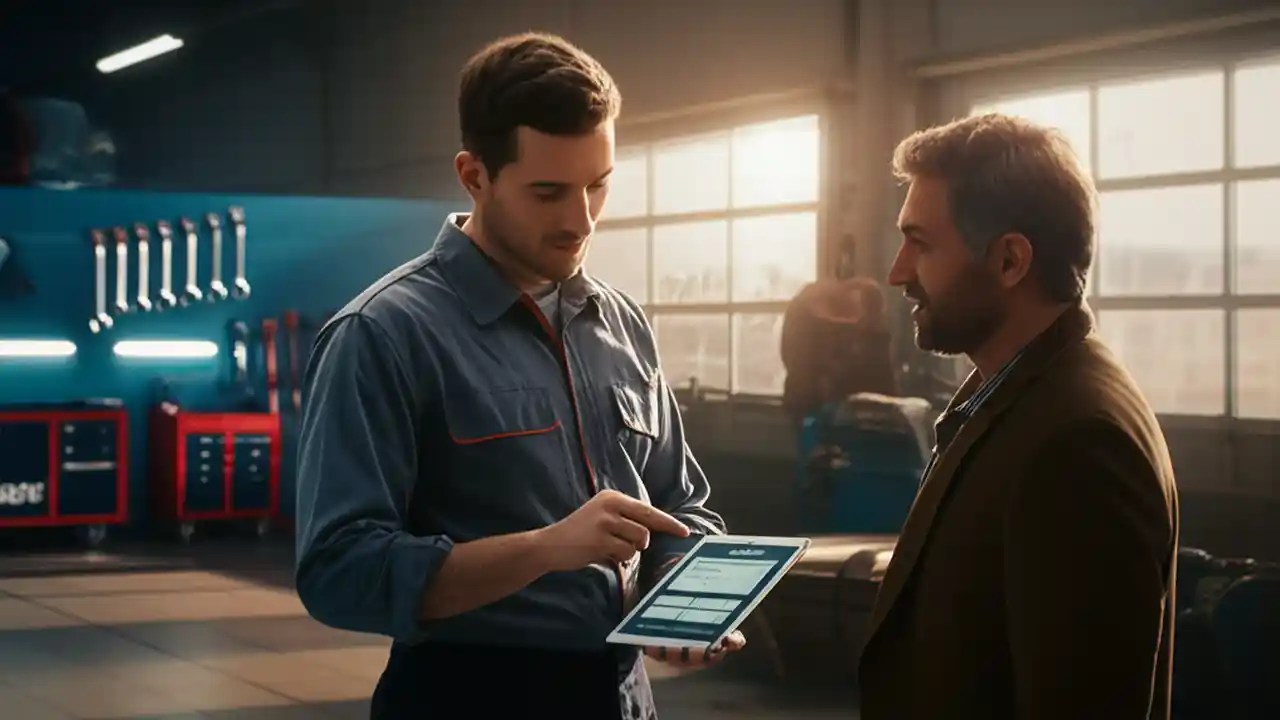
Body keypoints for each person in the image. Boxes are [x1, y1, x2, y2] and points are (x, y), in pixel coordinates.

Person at [293, 32, 741, 720]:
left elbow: (682, 505)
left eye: (599, 185)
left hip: (624, 699)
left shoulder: (620, 321)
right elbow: (339, 572)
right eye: (548, 193)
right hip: (466, 695)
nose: (580, 220)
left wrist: (685, 602)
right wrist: (545, 549)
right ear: (474, 176)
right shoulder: (383, 335)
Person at [856, 113, 1180, 720]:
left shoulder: (1079, 445)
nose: (898, 272)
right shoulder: (1014, 395)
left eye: (921, 243)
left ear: (1009, 261)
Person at [780, 276, 897, 427]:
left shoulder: (874, 338)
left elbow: (881, 384)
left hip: (860, 414)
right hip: (817, 408)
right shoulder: (812, 327)